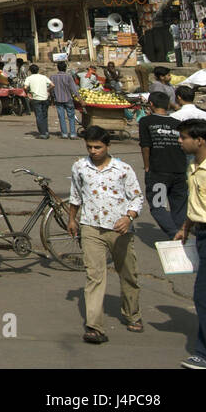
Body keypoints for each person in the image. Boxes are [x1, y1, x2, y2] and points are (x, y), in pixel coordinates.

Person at [68, 125, 144, 344]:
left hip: (120, 229)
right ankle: (95, 327)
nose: (93, 151)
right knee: (94, 276)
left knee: (128, 273)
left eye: (98, 147)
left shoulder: (123, 169)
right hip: (91, 227)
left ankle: (133, 314)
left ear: (107, 146)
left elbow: (137, 197)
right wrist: (72, 219)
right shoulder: (79, 167)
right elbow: (76, 195)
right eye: (90, 147)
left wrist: (128, 217)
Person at [173, 121, 206, 369]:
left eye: (183, 137)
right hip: (202, 234)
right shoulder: (193, 166)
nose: (179, 141)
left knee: (204, 296)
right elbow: (196, 200)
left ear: (199, 140)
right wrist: (185, 227)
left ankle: (205, 355)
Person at [139, 92, 188, 238]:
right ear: (168, 105)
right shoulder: (178, 123)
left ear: (151, 104)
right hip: (179, 170)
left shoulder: (145, 121)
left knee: (157, 206)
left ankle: (175, 234)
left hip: (158, 171)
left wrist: (147, 166)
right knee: (179, 208)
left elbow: (145, 146)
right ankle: (181, 236)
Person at [49, 61, 80, 138]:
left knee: (61, 117)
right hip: (68, 99)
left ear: (58, 68)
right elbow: (74, 89)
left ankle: (64, 134)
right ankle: (72, 134)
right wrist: (80, 99)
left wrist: (52, 100)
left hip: (58, 100)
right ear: (65, 68)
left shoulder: (52, 77)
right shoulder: (68, 76)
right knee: (71, 117)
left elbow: (51, 90)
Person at [24, 64, 53, 139]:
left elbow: (25, 87)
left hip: (36, 98)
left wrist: (28, 93)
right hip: (45, 98)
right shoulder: (43, 77)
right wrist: (47, 90)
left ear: (30, 71)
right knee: (44, 115)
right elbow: (52, 85)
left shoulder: (29, 78)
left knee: (39, 116)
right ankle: (46, 131)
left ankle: (43, 133)